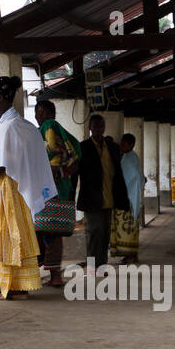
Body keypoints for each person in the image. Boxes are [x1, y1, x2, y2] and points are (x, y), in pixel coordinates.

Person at [0, 75, 56, 300]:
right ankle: (12, 285)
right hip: (3, 188)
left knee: (10, 234)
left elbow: (1, 164)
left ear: (0, 97)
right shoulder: (7, 124)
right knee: (8, 233)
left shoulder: (11, 126)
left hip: (7, 188)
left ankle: (16, 287)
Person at [33, 98, 80, 286]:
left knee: (48, 229)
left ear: (51, 114)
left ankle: (54, 276)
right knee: (51, 230)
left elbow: (51, 149)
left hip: (50, 188)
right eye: (38, 113)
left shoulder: (49, 126)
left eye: (43, 112)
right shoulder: (47, 131)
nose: (40, 116)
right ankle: (54, 274)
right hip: (58, 186)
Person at [76, 114, 128, 269]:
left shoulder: (112, 147)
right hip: (91, 199)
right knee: (93, 233)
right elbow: (76, 173)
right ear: (90, 128)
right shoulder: (83, 147)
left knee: (105, 234)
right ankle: (93, 266)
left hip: (109, 198)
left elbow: (118, 172)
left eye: (101, 126)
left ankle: (102, 264)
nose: (99, 129)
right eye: (96, 126)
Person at [112, 133, 145, 264]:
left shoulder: (129, 159)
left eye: (124, 144)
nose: (121, 146)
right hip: (127, 198)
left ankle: (130, 255)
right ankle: (131, 254)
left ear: (131, 145)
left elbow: (134, 178)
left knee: (128, 229)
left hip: (129, 199)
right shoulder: (129, 157)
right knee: (127, 228)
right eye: (121, 143)